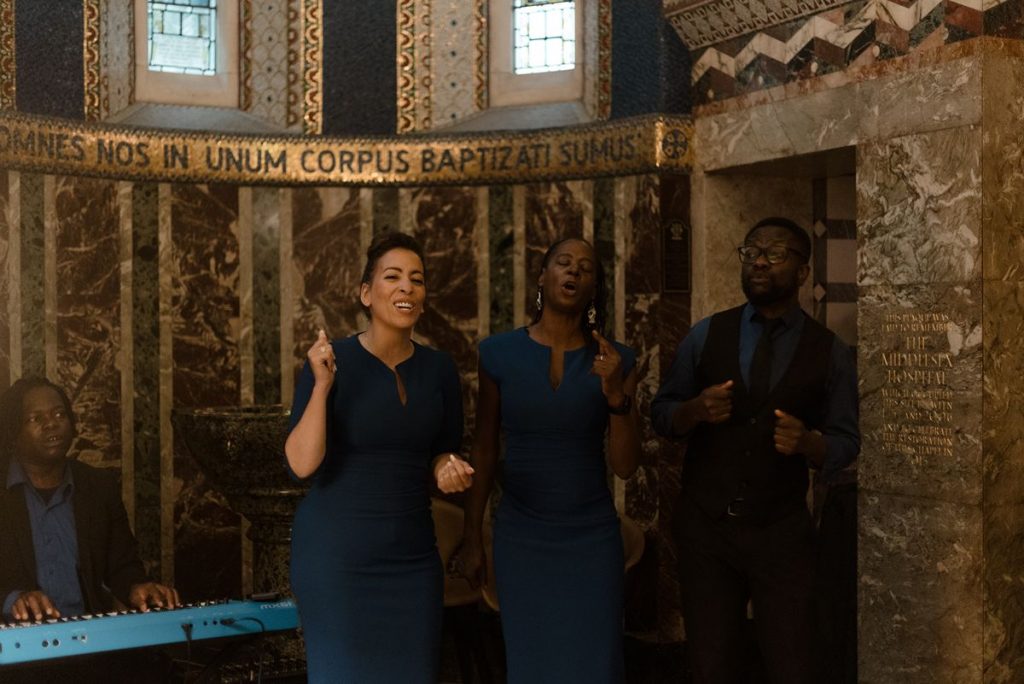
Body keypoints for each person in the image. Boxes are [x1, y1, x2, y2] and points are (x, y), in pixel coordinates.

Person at [651, 217, 860, 683]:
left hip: (781, 534)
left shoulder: (829, 351)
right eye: (751, 252)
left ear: (803, 272)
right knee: (710, 664)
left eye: (774, 253)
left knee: (792, 664)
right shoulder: (706, 334)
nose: (759, 262)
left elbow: (847, 441)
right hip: (707, 530)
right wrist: (694, 410)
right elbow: (662, 413)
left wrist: (810, 443)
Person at [285, 231, 475, 683]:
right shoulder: (330, 362)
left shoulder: (440, 369)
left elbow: (442, 451)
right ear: (366, 294)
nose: (407, 286)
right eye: (393, 276)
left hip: (413, 560)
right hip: (337, 561)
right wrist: (322, 386)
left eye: (417, 279)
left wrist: (447, 468)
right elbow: (300, 465)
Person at [459, 237, 641, 683]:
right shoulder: (498, 354)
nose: (574, 271)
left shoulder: (617, 359)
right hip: (522, 535)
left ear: (593, 287)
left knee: (596, 666)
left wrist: (616, 396)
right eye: (563, 262)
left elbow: (625, 466)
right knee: (532, 664)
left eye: (586, 268)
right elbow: (484, 449)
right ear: (543, 276)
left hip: (591, 537)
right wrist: (472, 536)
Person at [0, 377, 179, 683]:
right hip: (15, 658)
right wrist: (12, 599)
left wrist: (137, 587)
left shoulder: (98, 487)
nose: (51, 424)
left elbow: (123, 565)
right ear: (14, 432)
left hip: (91, 651)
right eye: (35, 418)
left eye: (59, 414)